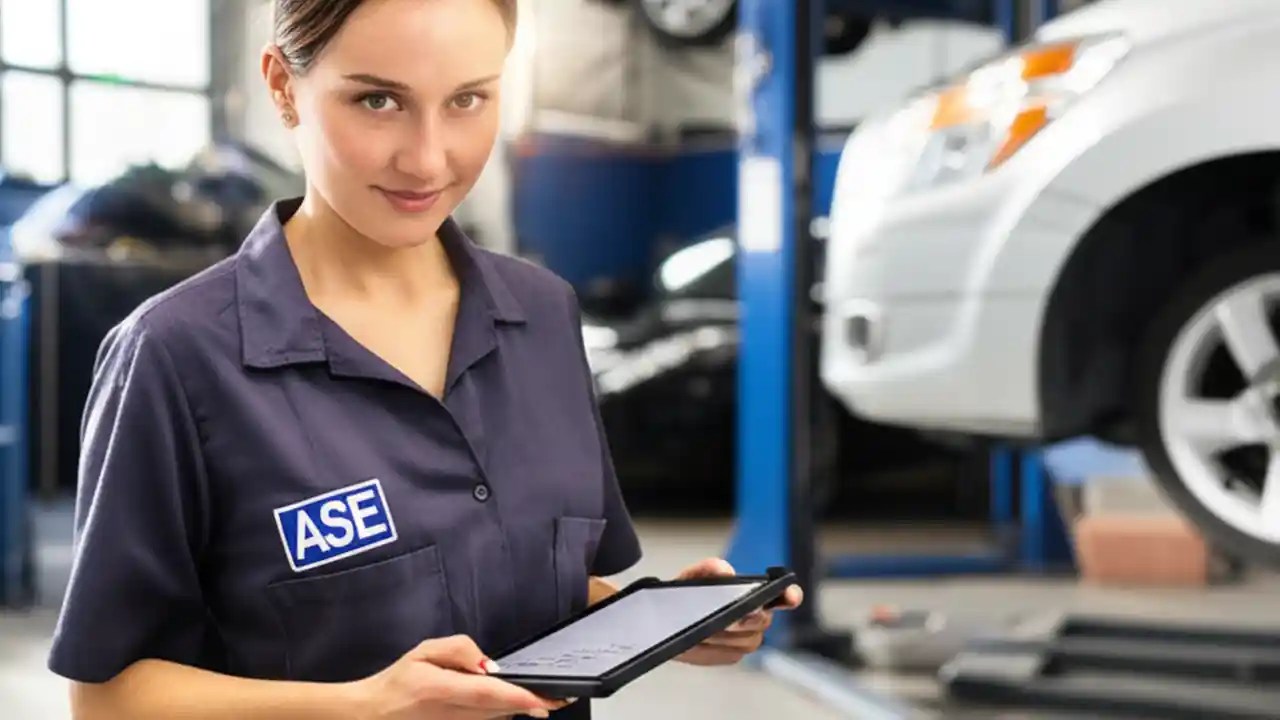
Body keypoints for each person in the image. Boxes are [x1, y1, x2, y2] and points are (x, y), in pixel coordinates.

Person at [46, 1, 804, 718]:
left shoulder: (541, 315)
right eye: (378, 101)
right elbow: (107, 699)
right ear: (283, 87)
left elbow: (544, 584)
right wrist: (364, 706)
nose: (428, 158)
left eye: (468, 100)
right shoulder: (177, 358)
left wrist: (666, 622)